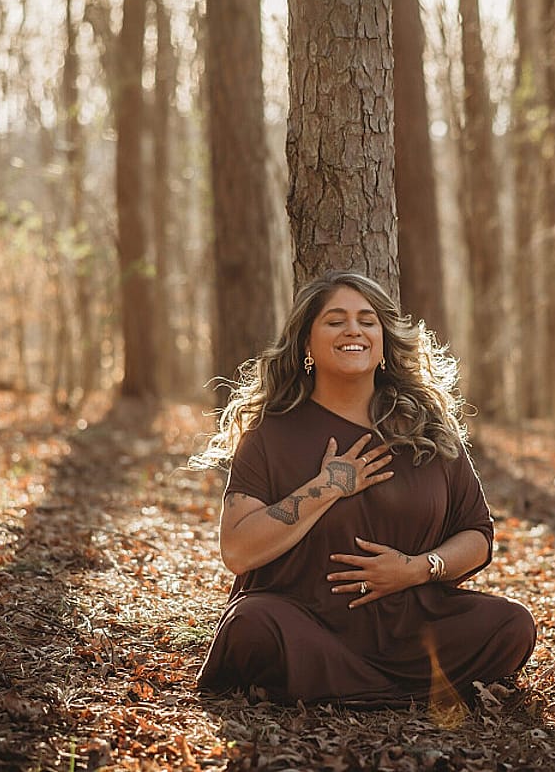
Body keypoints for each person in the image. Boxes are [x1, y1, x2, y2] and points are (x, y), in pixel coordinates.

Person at [191, 270, 535, 707]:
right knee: (252, 624)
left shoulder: (426, 429)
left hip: (411, 633)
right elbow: (238, 550)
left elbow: (477, 535)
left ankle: (350, 689)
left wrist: (417, 568)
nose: (353, 330)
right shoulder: (270, 433)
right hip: (305, 626)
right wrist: (326, 487)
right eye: (335, 321)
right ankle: (389, 692)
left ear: (384, 340)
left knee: (512, 625)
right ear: (307, 343)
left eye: (367, 321)